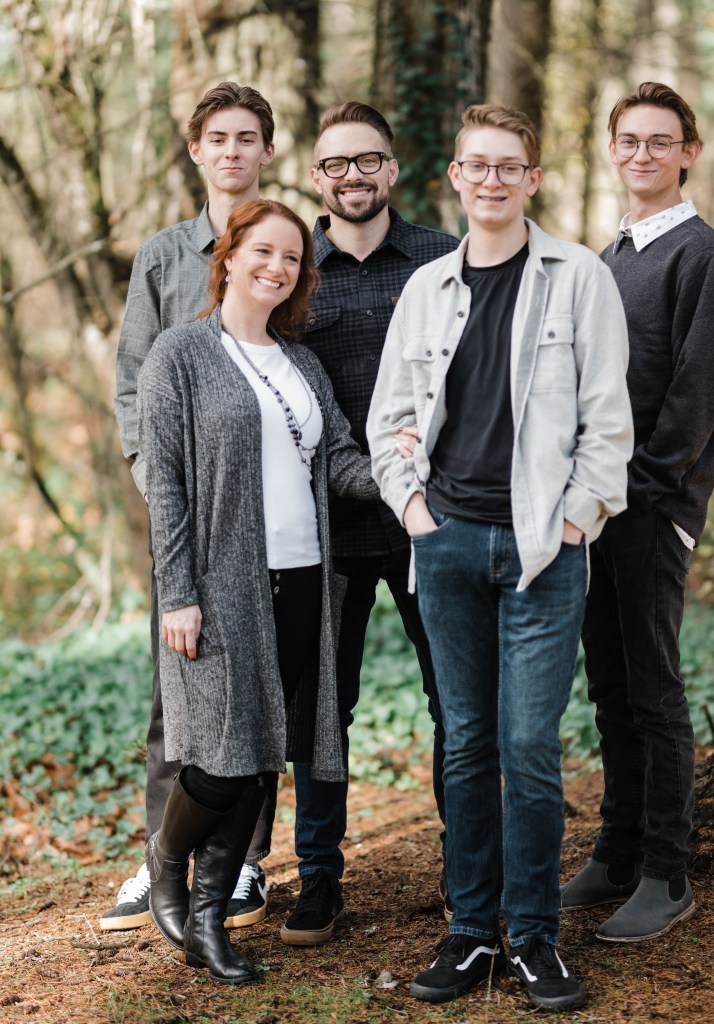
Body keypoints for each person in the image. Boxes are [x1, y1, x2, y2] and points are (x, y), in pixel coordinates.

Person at [367, 104, 633, 1010]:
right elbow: (387, 419)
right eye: (474, 164)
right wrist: (411, 508)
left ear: (533, 179)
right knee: (467, 744)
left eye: (507, 166)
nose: (490, 179)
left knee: (528, 745)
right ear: (453, 175)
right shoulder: (425, 290)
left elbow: (608, 423)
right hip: (443, 544)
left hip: (540, 552)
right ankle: (468, 932)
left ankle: (534, 939)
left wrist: (571, 525)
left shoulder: (577, 278)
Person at [136, 198, 379, 983]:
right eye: (263, 252)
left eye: (292, 259)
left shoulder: (301, 363)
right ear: (230, 256)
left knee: (267, 749)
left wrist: (402, 476)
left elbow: (337, 459)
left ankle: (209, 917)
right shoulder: (180, 354)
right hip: (220, 581)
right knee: (222, 756)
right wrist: (177, 592)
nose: (277, 268)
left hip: (307, 577)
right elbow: (165, 483)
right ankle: (168, 860)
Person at [561, 82, 714, 942]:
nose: (641, 154)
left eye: (658, 141)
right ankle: (617, 850)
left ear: (687, 152)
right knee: (609, 687)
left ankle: (666, 872)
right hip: (594, 508)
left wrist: (636, 493)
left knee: (655, 691)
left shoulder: (702, 257)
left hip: (649, 508)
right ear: (612, 150)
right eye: (628, 141)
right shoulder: (610, 253)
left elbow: (693, 398)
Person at [279, 102, 459, 946]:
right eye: (337, 164)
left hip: (432, 520)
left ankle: (470, 867)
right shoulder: (290, 267)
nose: (354, 175)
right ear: (316, 177)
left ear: (393, 169)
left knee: (454, 701)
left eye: (370, 160)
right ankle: (318, 880)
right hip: (324, 530)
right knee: (324, 710)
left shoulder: (441, 258)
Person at [110, 82, 278, 933]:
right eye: (218, 137)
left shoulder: (288, 245)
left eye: (247, 137)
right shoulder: (163, 258)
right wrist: (153, 482)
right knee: (171, 692)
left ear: (267, 152)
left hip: (266, 519)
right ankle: (158, 860)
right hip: (182, 516)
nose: (232, 151)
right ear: (196, 149)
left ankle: (245, 864)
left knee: (257, 688)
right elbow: (134, 380)